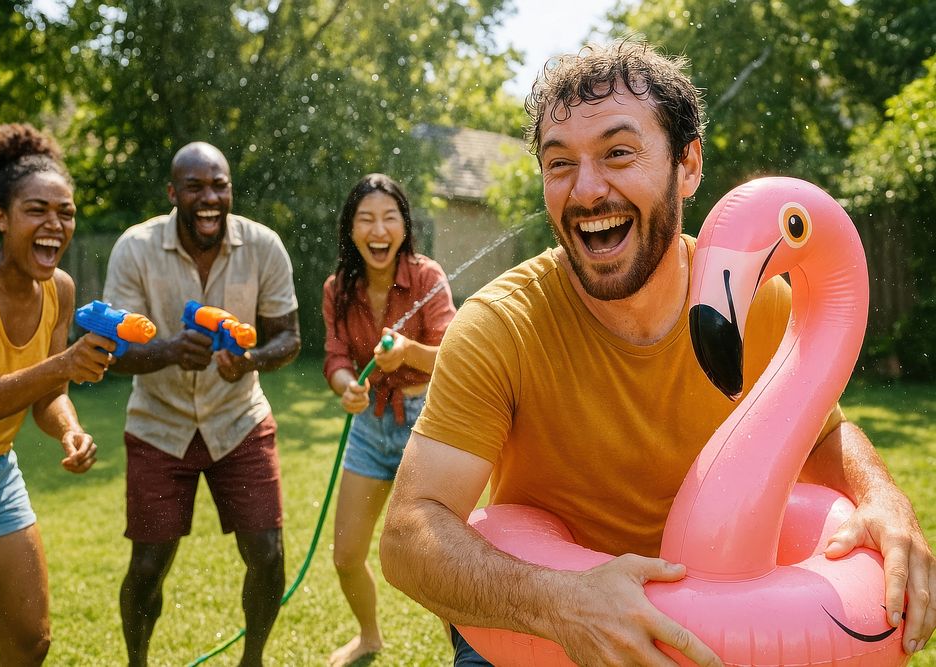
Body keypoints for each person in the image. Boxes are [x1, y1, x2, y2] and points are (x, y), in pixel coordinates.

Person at [379, 40, 936, 666]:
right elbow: (407, 534)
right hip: (546, 620)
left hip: (712, 620)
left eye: (619, 153)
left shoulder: (754, 302)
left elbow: (821, 439)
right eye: (559, 164)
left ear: (688, 165)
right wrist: (561, 603)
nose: (587, 191)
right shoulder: (499, 327)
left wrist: (883, 497)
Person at [103, 141, 301, 667]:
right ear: (173, 193)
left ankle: (252, 660)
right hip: (158, 425)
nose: (209, 197)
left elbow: (290, 338)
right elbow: (111, 353)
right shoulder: (135, 247)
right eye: (195, 187)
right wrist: (167, 350)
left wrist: (251, 359)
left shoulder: (264, 246)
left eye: (219, 185)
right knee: (148, 564)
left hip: (239, 419)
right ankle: (138, 663)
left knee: (267, 555)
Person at [0, 123, 112, 664]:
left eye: (66, 213)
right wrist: (62, 363)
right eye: (37, 210)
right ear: (1, 217)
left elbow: (47, 397)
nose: (54, 224)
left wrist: (71, 429)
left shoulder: (59, 289)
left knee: (32, 643)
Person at [322, 173, 456, 666]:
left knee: (439, 562)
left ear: (403, 225)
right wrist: (346, 387)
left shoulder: (427, 277)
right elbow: (335, 357)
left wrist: (408, 353)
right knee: (345, 556)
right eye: (366, 219)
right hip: (369, 426)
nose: (378, 229)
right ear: (351, 230)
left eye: (388, 217)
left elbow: (450, 356)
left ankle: (465, 654)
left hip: (424, 422)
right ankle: (369, 636)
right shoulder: (338, 288)